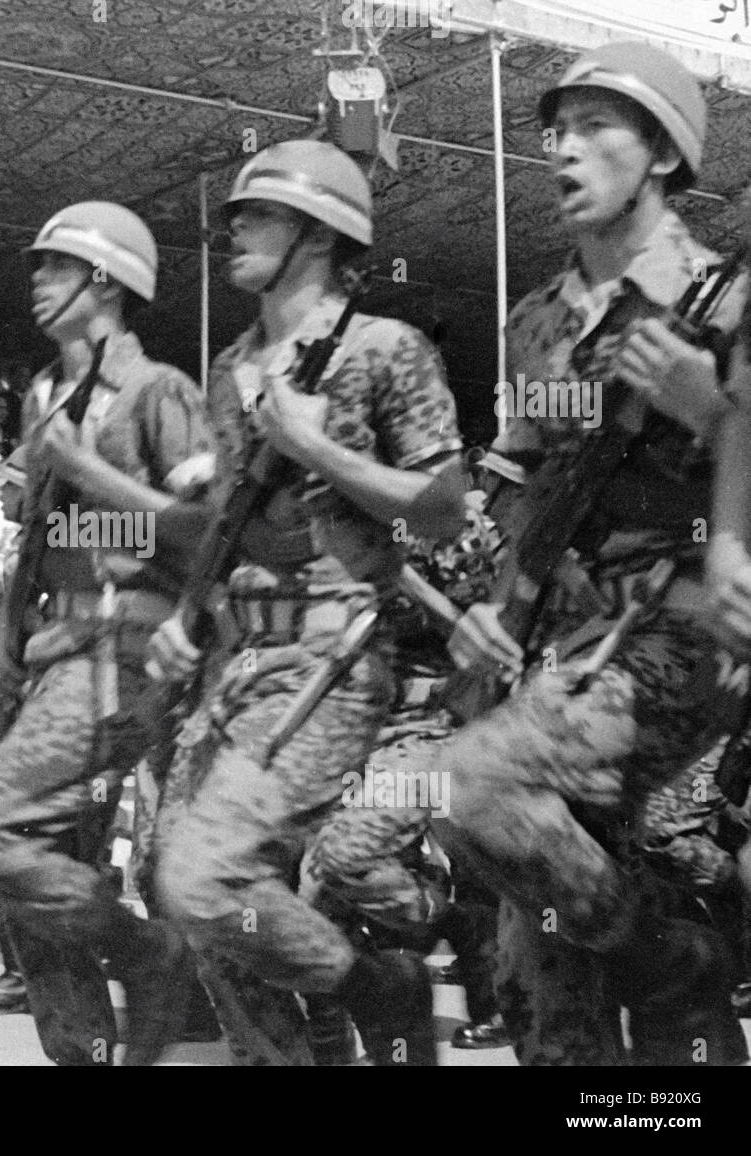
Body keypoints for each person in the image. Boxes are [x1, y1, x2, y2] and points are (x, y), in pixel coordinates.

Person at [424, 42, 747, 1065]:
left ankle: (672, 959)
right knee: (545, 988)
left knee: (467, 786)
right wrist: (491, 605)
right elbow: (524, 483)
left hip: (677, 627)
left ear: (659, 152)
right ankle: (670, 1007)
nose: (563, 146)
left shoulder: (726, 299)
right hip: (556, 643)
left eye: (594, 124)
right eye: (555, 129)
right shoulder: (537, 321)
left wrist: (710, 409)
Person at [145, 140, 466, 1066]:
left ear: (319, 236)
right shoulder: (233, 362)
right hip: (235, 660)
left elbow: (443, 510)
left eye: (258, 215)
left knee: (206, 878)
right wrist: (184, 616)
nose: (232, 229)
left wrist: (319, 449)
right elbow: (228, 522)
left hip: (329, 656)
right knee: (183, 897)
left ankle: (380, 986)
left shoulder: (383, 350)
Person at [0, 200, 217, 1066]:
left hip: (123, 652)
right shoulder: (44, 396)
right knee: (31, 884)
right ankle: (89, 1053)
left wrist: (83, 467)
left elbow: (204, 525)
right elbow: (35, 536)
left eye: (54, 267)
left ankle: (151, 955)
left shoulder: (160, 390)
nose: (36, 281)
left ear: (106, 282)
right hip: (50, 652)